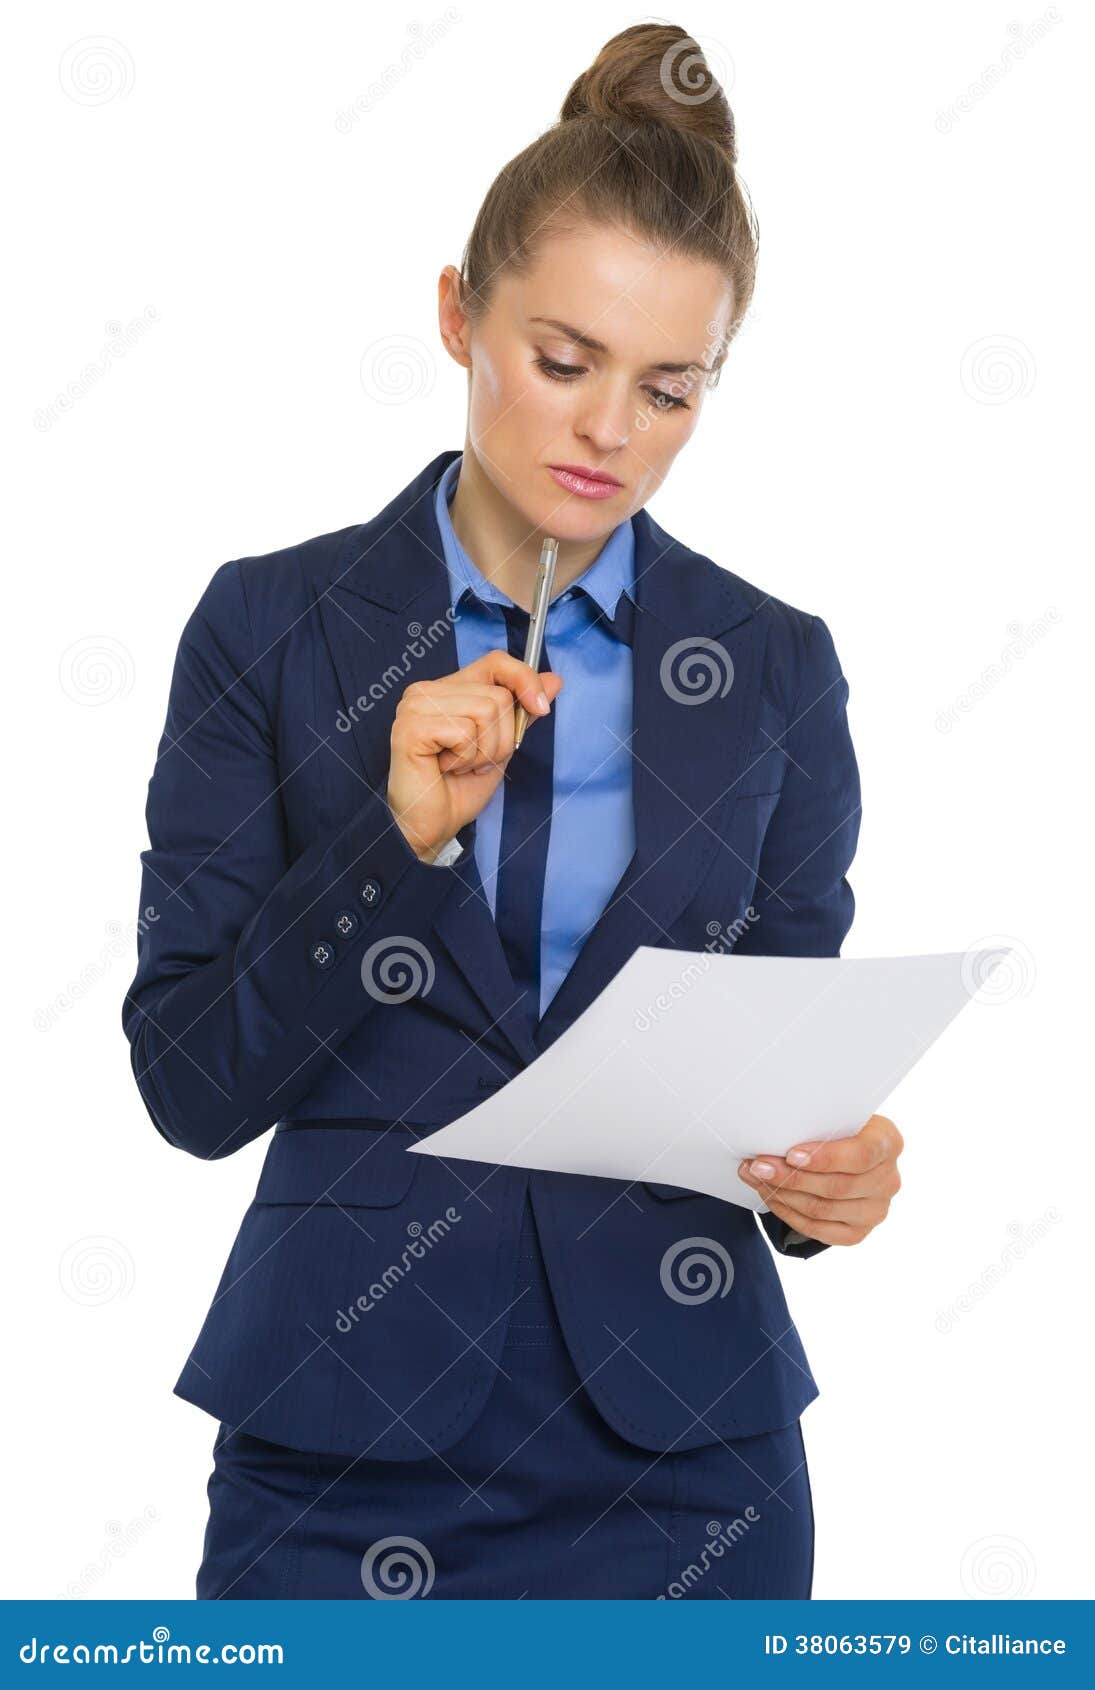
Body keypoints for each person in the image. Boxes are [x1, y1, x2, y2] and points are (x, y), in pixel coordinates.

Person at [122, 23, 903, 1601]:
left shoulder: (773, 670)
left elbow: (781, 1074)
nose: (612, 432)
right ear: (457, 316)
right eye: (564, 362)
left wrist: (836, 1183)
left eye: (671, 388)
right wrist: (388, 843)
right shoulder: (270, 628)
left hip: (692, 1469)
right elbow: (188, 1083)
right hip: (336, 1450)